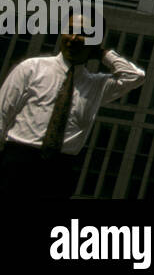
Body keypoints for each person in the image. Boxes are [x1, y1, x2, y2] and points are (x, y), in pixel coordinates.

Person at [0, 14, 146, 198]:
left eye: (83, 33)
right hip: (17, 161)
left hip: (60, 170)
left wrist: (102, 53)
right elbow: (2, 114)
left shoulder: (96, 85)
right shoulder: (31, 68)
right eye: (70, 30)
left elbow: (135, 77)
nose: (74, 38)